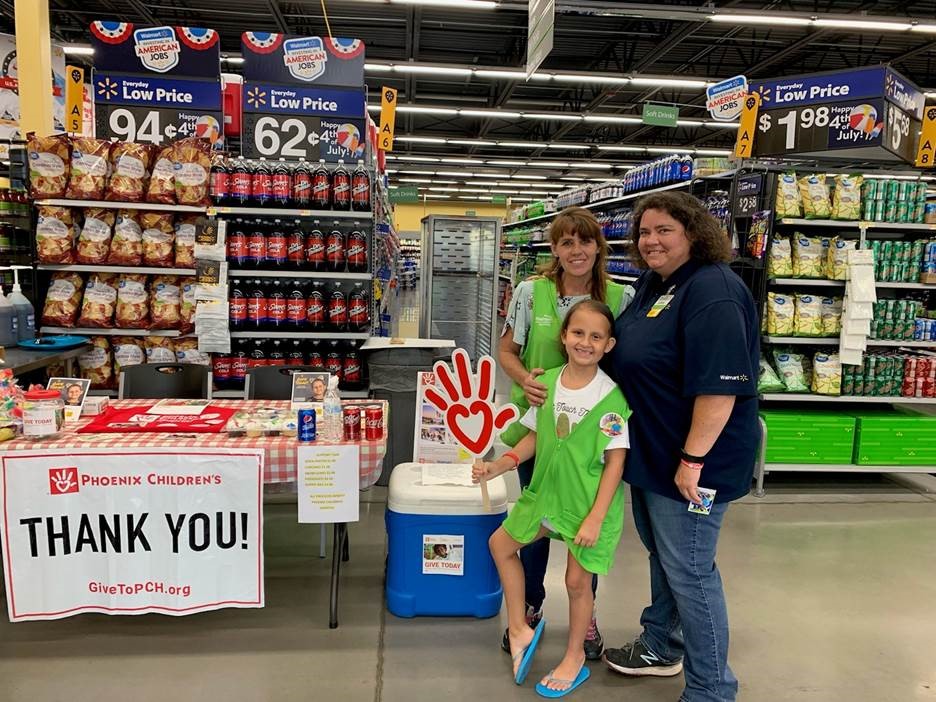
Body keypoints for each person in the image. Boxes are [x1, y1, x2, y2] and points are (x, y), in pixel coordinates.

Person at [603, 191, 759, 702]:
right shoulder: (658, 284)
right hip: (655, 455)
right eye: (644, 231)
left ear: (693, 232)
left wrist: (692, 461)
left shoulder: (714, 291)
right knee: (663, 557)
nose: (651, 240)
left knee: (690, 570)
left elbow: (720, 388)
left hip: (695, 464)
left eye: (664, 230)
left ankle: (713, 689)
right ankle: (661, 645)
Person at [477, 300, 631, 696]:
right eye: (578, 333)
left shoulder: (611, 399)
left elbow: (615, 463)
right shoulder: (548, 384)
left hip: (585, 505)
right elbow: (534, 436)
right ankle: (518, 628)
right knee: (501, 544)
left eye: (596, 337)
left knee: (577, 582)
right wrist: (501, 464)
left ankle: (575, 655)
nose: (585, 342)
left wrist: (596, 517)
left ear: (608, 345)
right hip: (545, 495)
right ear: (563, 337)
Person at [498, 206, 632, 660]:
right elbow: (506, 351)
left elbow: (624, 364)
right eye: (567, 242)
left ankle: (585, 614)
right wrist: (525, 380)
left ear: (599, 245)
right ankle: (531, 606)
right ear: (554, 248)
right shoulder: (529, 292)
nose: (577, 251)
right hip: (538, 427)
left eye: (585, 241)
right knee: (533, 521)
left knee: (582, 528)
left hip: (590, 436)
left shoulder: (620, 297)